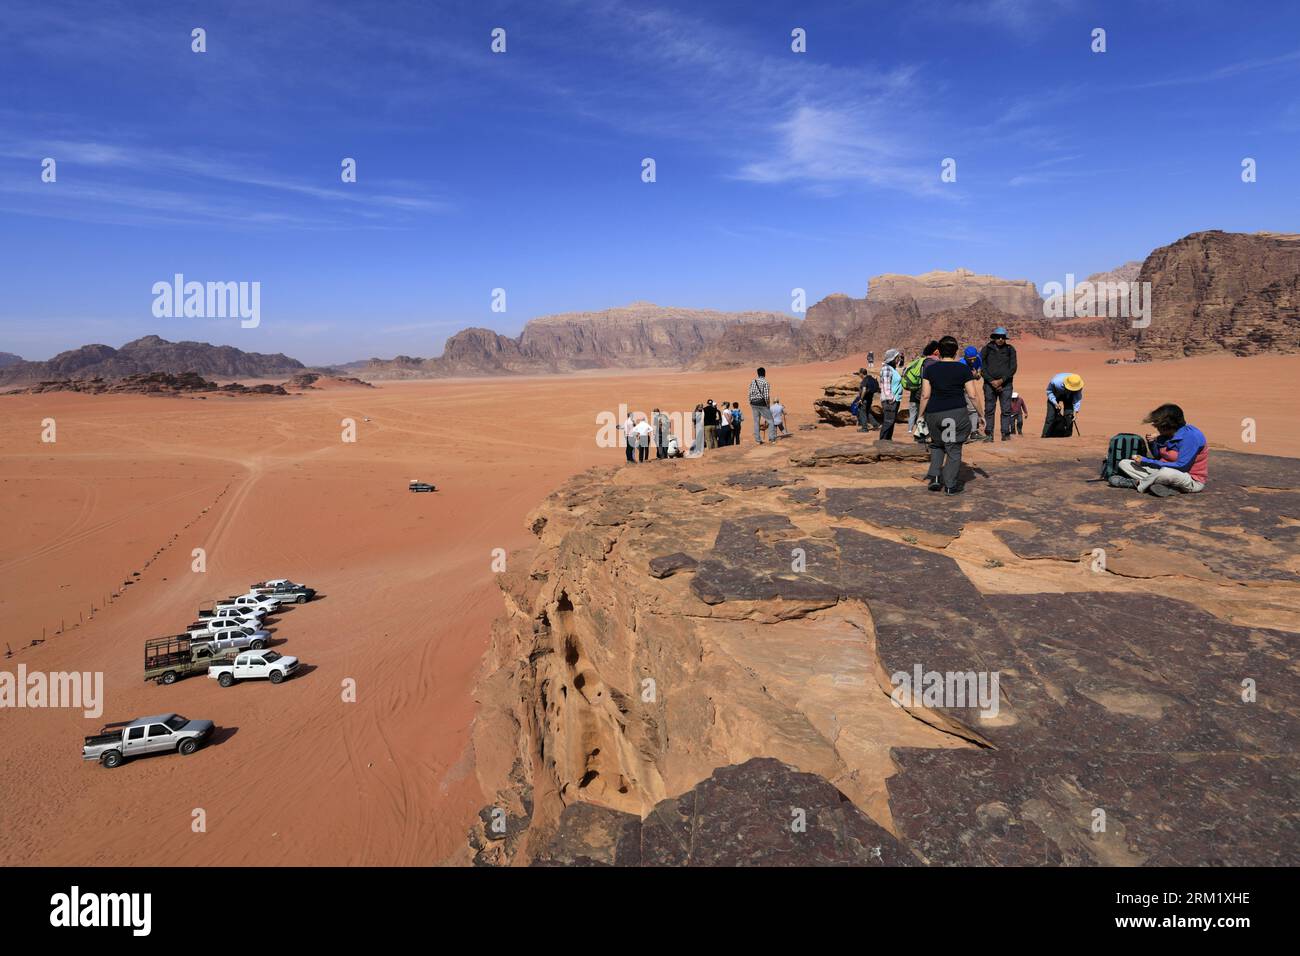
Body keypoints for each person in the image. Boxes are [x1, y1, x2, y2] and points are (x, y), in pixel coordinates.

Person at [917, 336, 984, 495]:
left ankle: (935, 478)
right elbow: (973, 395)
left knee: (937, 445)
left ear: (939, 351)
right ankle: (950, 485)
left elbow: (925, 395)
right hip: (955, 414)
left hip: (933, 414)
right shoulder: (963, 369)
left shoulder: (930, 369)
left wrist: (920, 416)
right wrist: (981, 415)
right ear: (956, 352)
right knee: (953, 448)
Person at [1117, 403, 1208, 494]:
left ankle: (1138, 484)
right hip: (1161, 471)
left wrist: (1146, 461)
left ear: (1167, 425)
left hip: (1189, 478)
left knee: (1166, 473)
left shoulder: (1191, 437)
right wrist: (1152, 443)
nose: (1157, 428)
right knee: (1124, 463)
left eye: (1158, 426)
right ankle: (1163, 486)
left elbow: (1181, 466)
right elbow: (1157, 456)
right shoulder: (1167, 435)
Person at [979, 327, 1018, 441]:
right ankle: (989, 434)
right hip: (989, 385)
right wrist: (991, 381)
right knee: (989, 410)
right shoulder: (986, 349)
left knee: (1006, 410)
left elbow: (1013, 368)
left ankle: (1005, 434)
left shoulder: (1010, 349)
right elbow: (982, 367)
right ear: (994, 337)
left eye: (1003, 337)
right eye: (998, 337)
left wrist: (1001, 381)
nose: (1000, 339)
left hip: (1006, 385)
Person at [906, 341, 941, 439]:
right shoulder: (932, 363)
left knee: (922, 416)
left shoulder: (923, 361)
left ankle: (920, 437)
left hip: (918, 393)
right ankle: (922, 438)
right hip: (926, 394)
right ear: (936, 351)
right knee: (925, 416)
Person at [962, 346, 990, 442]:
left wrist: (976, 375)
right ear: (965, 357)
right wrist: (971, 375)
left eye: (974, 359)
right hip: (960, 388)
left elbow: (978, 376)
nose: (973, 361)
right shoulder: (961, 363)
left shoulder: (978, 359)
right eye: (970, 360)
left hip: (969, 387)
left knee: (973, 409)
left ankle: (973, 432)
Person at [1043, 372, 1084, 437]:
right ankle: (1045, 436)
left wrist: (1076, 412)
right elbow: (1049, 392)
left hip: (1068, 396)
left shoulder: (1078, 384)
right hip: (1055, 394)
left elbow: (1077, 399)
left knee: (1069, 416)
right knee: (1050, 417)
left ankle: (1068, 436)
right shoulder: (1055, 382)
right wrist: (1055, 403)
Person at [878, 349, 904, 441]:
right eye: (897, 357)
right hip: (890, 401)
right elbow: (886, 385)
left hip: (894, 400)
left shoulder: (892, 368)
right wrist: (891, 398)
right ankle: (882, 442)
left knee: (891, 422)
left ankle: (888, 442)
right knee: (888, 422)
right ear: (893, 358)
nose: (899, 359)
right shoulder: (886, 368)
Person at [749, 367, 776, 443]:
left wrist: (750, 402)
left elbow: (750, 393)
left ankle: (758, 440)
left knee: (756, 422)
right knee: (770, 421)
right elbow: (766, 396)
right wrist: (768, 405)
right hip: (762, 403)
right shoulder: (765, 382)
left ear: (758, 373)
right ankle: (771, 438)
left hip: (753, 403)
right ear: (764, 373)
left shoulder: (753, 381)